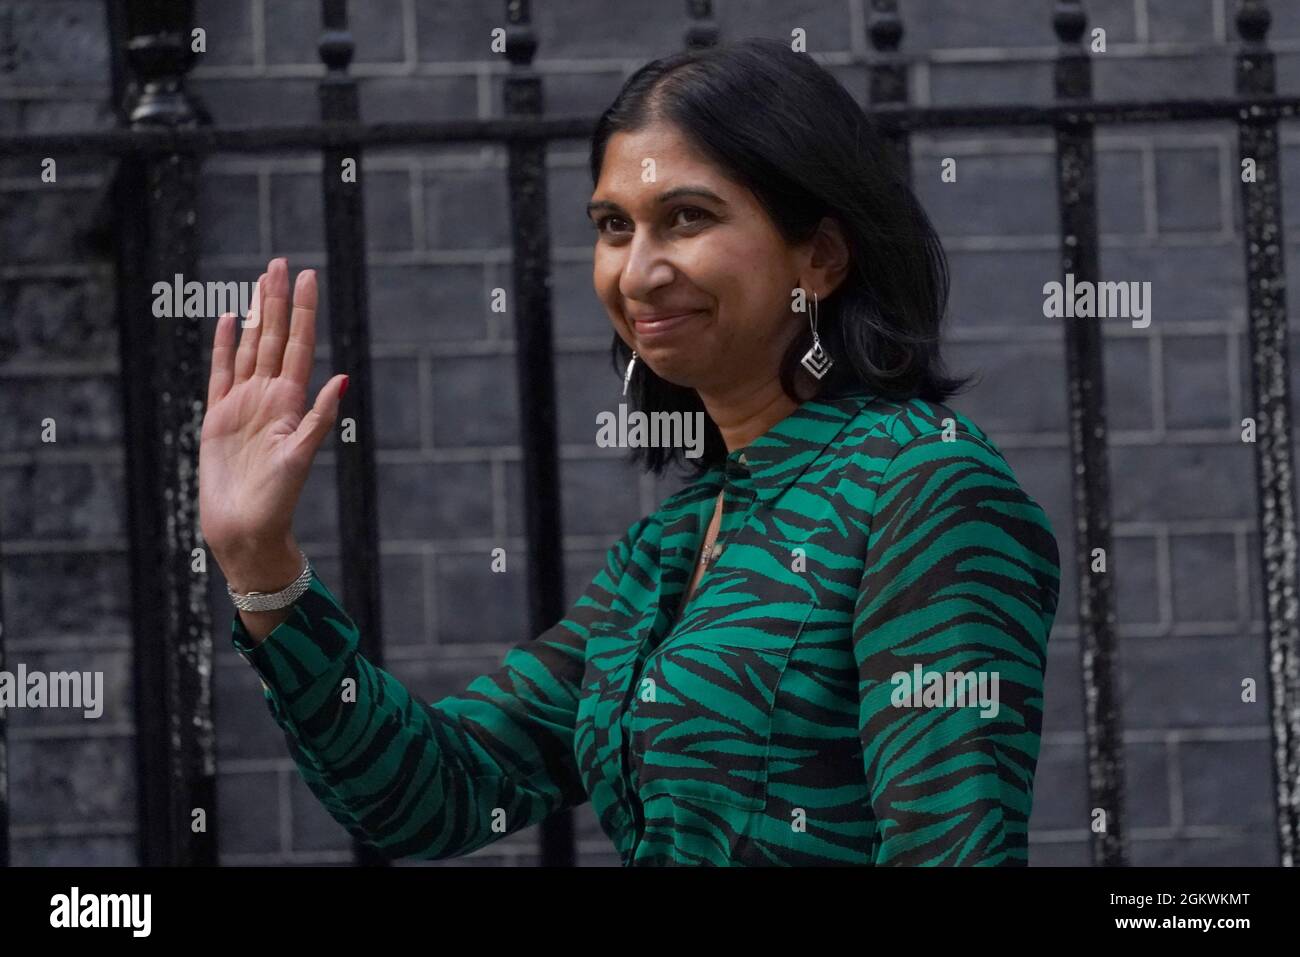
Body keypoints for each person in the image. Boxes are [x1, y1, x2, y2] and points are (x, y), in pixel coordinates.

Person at [198, 37, 1061, 866]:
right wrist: (259, 559)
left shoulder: (922, 485)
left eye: (687, 217)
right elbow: (440, 790)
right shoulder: (673, 547)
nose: (638, 271)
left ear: (822, 256)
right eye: (614, 226)